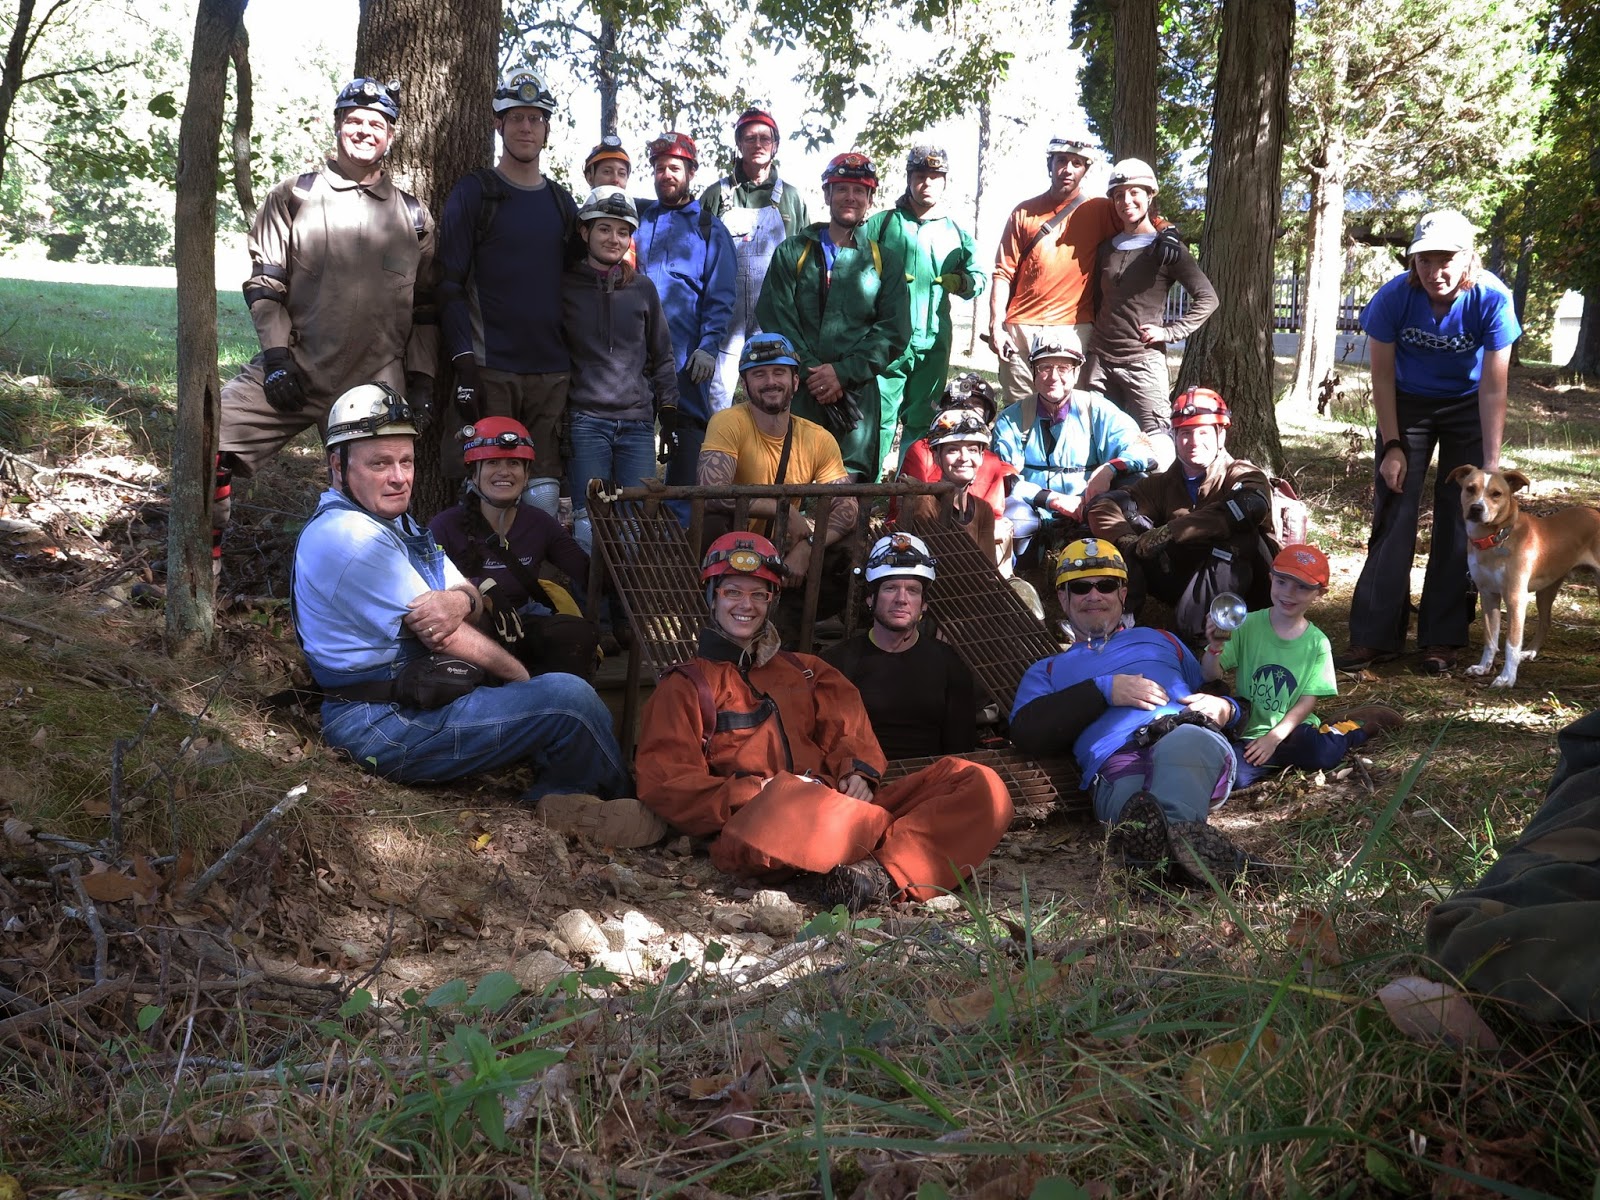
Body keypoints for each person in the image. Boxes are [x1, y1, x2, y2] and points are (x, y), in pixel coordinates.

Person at [290, 383, 638, 825]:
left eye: (406, 461)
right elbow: (447, 633)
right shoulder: (351, 536)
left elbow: (469, 597)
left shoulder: (396, 523)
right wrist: (521, 682)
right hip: (382, 722)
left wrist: (458, 599)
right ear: (338, 466)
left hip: (416, 694)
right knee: (568, 699)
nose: (398, 477)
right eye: (379, 463)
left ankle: (566, 795)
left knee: (560, 666)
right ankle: (618, 804)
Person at [635, 532, 1013, 911]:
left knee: (983, 784)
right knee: (788, 803)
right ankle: (904, 840)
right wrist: (759, 790)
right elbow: (667, 785)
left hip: (837, 806)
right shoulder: (686, 685)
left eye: (758, 594)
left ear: (771, 601)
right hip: (768, 822)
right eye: (732, 592)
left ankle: (877, 876)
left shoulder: (807, 670)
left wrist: (858, 771)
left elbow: (850, 730)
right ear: (712, 597)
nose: (746, 605)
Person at [212, 77, 436, 576]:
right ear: (337, 125)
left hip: (376, 381)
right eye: (354, 120)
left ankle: (369, 595)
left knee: (379, 494)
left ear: (391, 135)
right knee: (208, 438)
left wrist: (421, 382)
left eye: (376, 123)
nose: (364, 130)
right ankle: (198, 579)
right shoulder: (295, 195)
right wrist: (276, 359)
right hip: (296, 366)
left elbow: (427, 309)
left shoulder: (414, 216)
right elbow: (265, 285)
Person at [1009, 539, 1258, 885]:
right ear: (1063, 599)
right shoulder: (1047, 670)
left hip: (1184, 737)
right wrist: (1103, 690)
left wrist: (1226, 708)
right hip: (1115, 767)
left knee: (1181, 747)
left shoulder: (1162, 640)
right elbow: (1027, 731)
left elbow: (1213, 692)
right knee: (1136, 812)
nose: (1094, 595)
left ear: (1122, 594)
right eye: (1080, 588)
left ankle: (1163, 854)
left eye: (1105, 585)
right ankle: (1187, 857)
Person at [1341, 209, 1522, 676]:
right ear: (1413, 261)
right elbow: (1382, 377)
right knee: (1394, 509)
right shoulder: (1393, 298)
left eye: (1446, 260)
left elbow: (1494, 387)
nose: (1434, 271)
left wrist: (1490, 465)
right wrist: (1393, 444)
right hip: (1408, 404)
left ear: (1467, 259)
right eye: (1425, 260)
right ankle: (1374, 636)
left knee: (1462, 519)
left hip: (1468, 405)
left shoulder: (1492, 298)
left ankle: (1443, 637)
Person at [436, 71, 577, 514]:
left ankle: (538, 564)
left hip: (551, 374)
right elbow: (448, 283)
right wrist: (463, 362)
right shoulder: (475, 192)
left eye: (535, 119)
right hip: (490, 370)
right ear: (499, 124)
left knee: (543, 494)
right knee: (485, 487)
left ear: (547, 129)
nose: (526, 128)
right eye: (516, 117)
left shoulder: (561, 203)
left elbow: (579, 284)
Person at [988, 136, 1180, 409]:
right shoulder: (1023, 212)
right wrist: (996, 325)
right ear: (1050, 165)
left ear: (1085, 170)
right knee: (1020, 409)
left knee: (1069, 410)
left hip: (1073, 328)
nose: (1068, 169)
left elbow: (1141, 216)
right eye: (1061, 161)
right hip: (1021, 328)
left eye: (1077, 163)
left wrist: (1168, 231)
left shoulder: (1099, 209)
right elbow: (1002, 273)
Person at [756, 152, 912, 482]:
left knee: (847, 489)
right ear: (827, 194)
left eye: (859, 190)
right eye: (841, 189)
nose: (850, 197)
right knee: (787, 482)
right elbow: (776, 315)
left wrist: (843, 373)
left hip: (856, 396)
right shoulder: (793, 252)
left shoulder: (885, 261)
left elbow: (894, 330)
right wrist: (813, 373)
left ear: (870, 199)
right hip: (799, 389)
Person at [1086, 387, 1277, 649]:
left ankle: (1200, 631)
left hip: (1246, 583)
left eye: (1203, 432)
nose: (1194, 441)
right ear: (1174, 438)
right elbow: (1102, 505)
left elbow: (1251, 506)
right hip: (1185, 576)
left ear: (1221, 435)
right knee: (1130, 526)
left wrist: (1171, 531)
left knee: (1240, 530)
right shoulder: (1164, 483)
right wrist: (1127, 540)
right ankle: (1118, 625)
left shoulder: (1242, 473)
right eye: (1185, 433)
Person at [698, 333, 857, 635]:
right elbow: (712, 491)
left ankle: (788, 624)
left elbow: (847, 508)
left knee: (850, 548)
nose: (770, 381)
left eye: (779, 372)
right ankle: (716, 618)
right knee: (711, 523)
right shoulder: (728, 422)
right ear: (745, 383)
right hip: (734, 552)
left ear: (795, 381)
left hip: (784, 554)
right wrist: (782, 509)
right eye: (759, 374)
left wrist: (808, 547)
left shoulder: (818, 438)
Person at [1200, 543, 1404, 769]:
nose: (1288, 593)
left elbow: (1307, 700)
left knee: (1322, 755)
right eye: (1281, 582)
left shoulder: (1317, 643)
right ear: (1271, 578)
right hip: (1250, 731)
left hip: (1293, 728)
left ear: (1320, 593)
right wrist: (1215, 647)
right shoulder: (1247, 625)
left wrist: (1274, 737)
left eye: (1302, 587)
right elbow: (1211, 676)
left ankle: (1351, 729)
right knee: (1233, 774)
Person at [428, 417, 598, 680]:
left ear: (527, 474)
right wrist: (480, 588)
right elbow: (427, 584)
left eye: (514, 463)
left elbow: (592, 578)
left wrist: (605, 518)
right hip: (469, 633)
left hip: (523, 625)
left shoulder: (539, 523)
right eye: (492, 463)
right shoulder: (445, 526)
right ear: (474, 473)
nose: (504, 472)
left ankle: (559, 701)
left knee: (575, 635)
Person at [561, 186, 680, 553]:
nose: (614, 239)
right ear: (584, 231)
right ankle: (586, 591)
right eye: (604, 229)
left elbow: (662, 354)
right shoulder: (565, 286)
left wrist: (669, 409)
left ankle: (624, 590)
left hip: (637, 423)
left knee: (634, 521)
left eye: (623, 231)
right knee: (588, 520)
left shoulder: (643, 289)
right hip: (586, 420)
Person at [1085, 158, 1217, 469]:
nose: (1126, 201)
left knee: (1158, 441)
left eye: (1135, 193)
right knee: (1094, 437)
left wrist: (1170, 332)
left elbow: (1208, 298)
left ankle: (1155, 494)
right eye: (1119, 195)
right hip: (1099, 361)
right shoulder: (1106, 248)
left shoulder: (1167, 249)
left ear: (1149, 195)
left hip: (1142, 361)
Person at [862, 144, 986, 465]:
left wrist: (962, 282)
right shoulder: (881, 225)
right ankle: (866, 488)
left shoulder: (956, 233)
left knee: (921, 424)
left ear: (945, 182)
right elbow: (851, 266)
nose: (926, 182)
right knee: (878, 420)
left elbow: (979, 277)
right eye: (920, 175)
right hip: (886, 340)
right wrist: (876, 277)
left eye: (935, 176)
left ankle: (909, 489)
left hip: (933, 343)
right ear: (908, 179)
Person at [633, 131, 737, 490]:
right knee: (633, 427)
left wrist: (708, 346)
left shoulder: (710, 229)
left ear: (691, 172)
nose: (666, 175)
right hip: (634, 354)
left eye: (675, 168)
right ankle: (633, 511)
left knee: (687, 431)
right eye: (660, 168)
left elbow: (720, 296)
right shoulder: (638, 222)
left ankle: (682, 515)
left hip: (685, 357)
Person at [822, 533, 979, 760]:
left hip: (931, 777)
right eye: (890, 588)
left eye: (913, 590)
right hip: (857, 777)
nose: (901, 599)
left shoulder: (949, 664)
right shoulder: (837, 663)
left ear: (923, 604)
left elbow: (961, 751)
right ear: (870, 598)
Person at [991, 339, 1151, 559]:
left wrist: (1109, 469)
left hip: (1092, 507)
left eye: (1063, 368)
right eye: (1045, 367)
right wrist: (1052, 499)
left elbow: (1141, 448)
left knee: (1135, 484)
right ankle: (1026, 567)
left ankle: (1131, 560)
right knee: (1015, 515)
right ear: (1033, 372)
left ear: (1076, 372)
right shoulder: (1012, 418)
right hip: (1035, 510)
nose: (1053, 377)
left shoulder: (1097, 410)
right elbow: (1003, 476)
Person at [699, 107, 810, 414]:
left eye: (765, 138)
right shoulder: (716, 195)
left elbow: (804, 266)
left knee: (771, 394)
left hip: (773, 317)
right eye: (750, 138)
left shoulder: (790, 198)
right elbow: (697, 258)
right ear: (739, 144)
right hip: (724, 318)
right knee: (716, 395)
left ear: (775, 145)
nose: (758, 144)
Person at [899, 407, 1009, 569]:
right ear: (937, 457)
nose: (964, 458)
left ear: (981, 457)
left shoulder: (983, 510)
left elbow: (988, 570)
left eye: (972, 450)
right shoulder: (924, 503)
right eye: (953, 450)